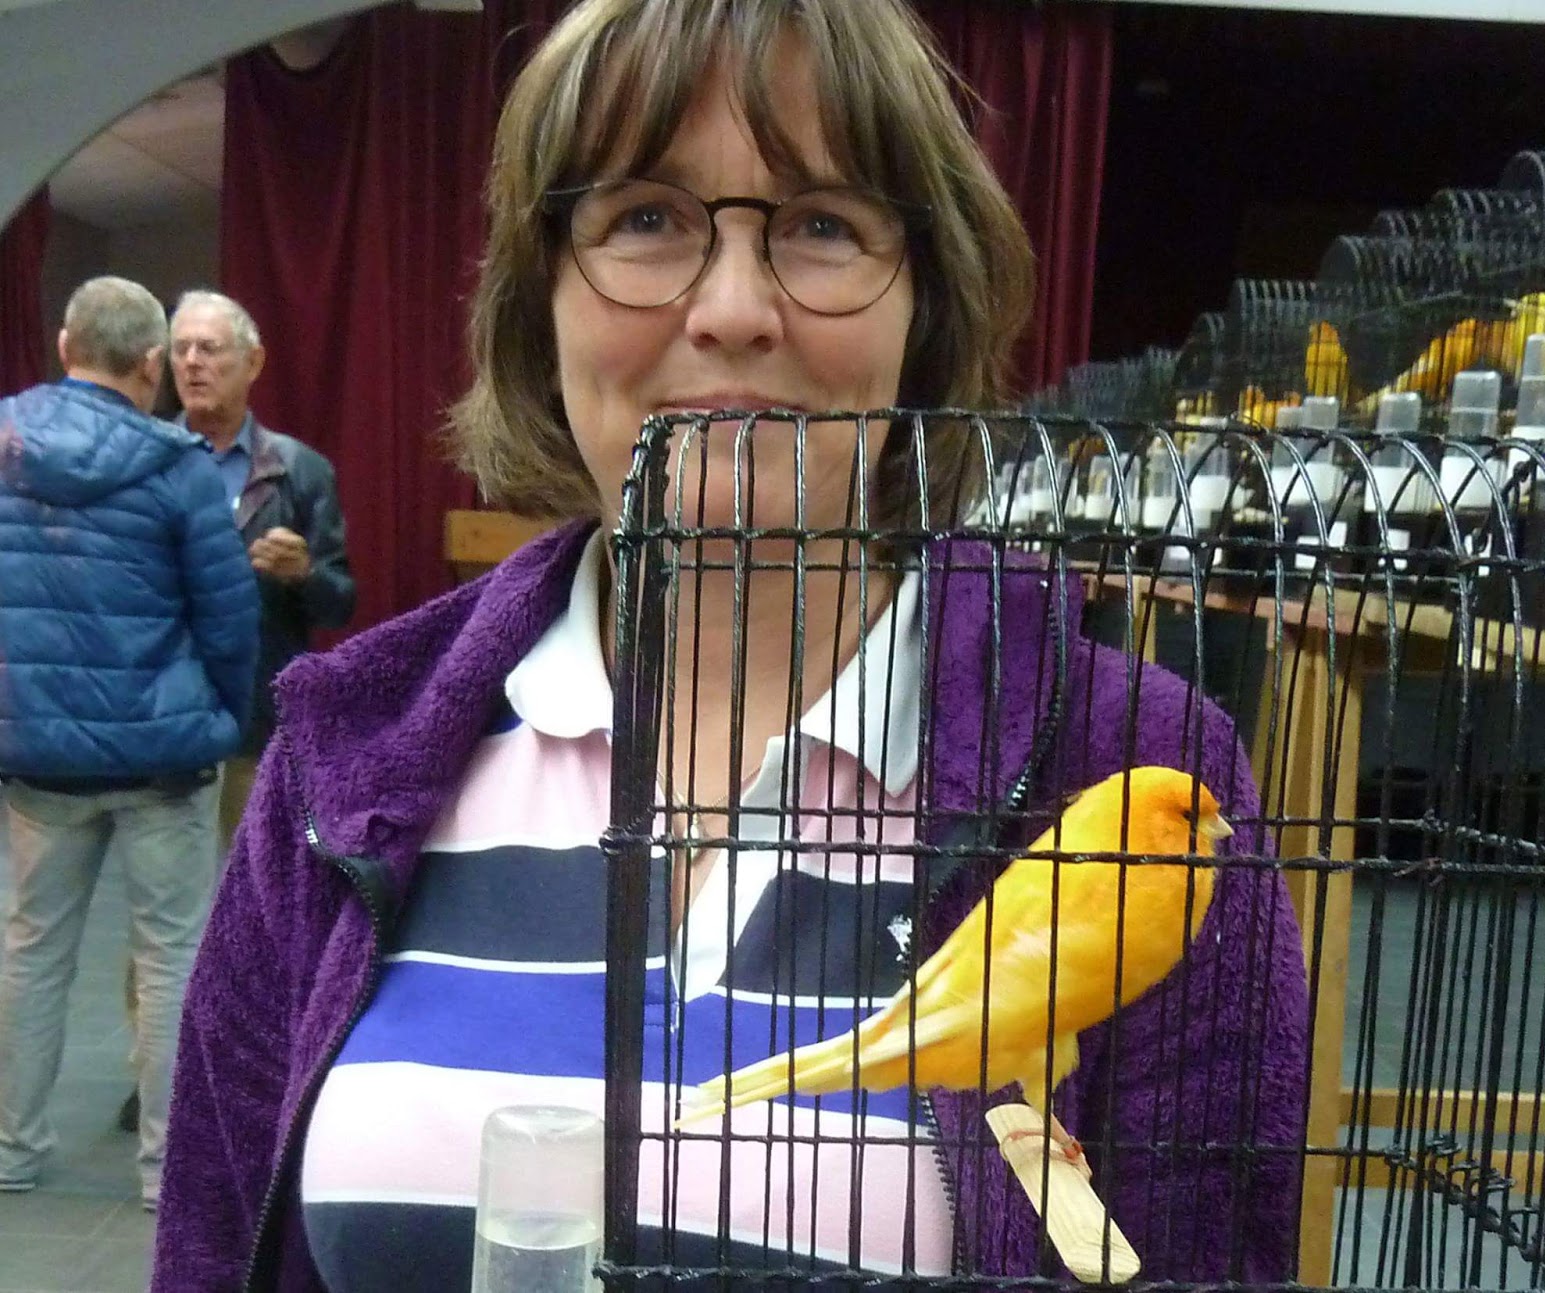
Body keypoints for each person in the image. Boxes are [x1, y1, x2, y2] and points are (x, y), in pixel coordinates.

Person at [153, 2, 1309, 1288]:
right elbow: (209, 1246)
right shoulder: (353, 754)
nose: (734, 309)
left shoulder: (1135, 780)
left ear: (924, 304)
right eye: (645, 218)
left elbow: (1208, 1253)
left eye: (822, 225)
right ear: (541, 296)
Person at [0, 275, 259, 1211]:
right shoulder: (177, 466)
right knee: (171, 957)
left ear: (66, 340)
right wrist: (223, 719)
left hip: (37, 758)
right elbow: (229, 621)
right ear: (151, 364)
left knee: (32, 949)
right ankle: (164, 1170)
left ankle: (13, 1148)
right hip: (162, 755)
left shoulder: (6, 445)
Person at [168, 289, 356, 844]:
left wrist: (304, 574)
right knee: (166, 903)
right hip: (166, 708)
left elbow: (341, 603)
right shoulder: (147, 461)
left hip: (257, 711)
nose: (192, 362)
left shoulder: (301, 469)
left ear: (252, 363)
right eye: (180, 349)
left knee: (252, 876)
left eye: (209, 348)